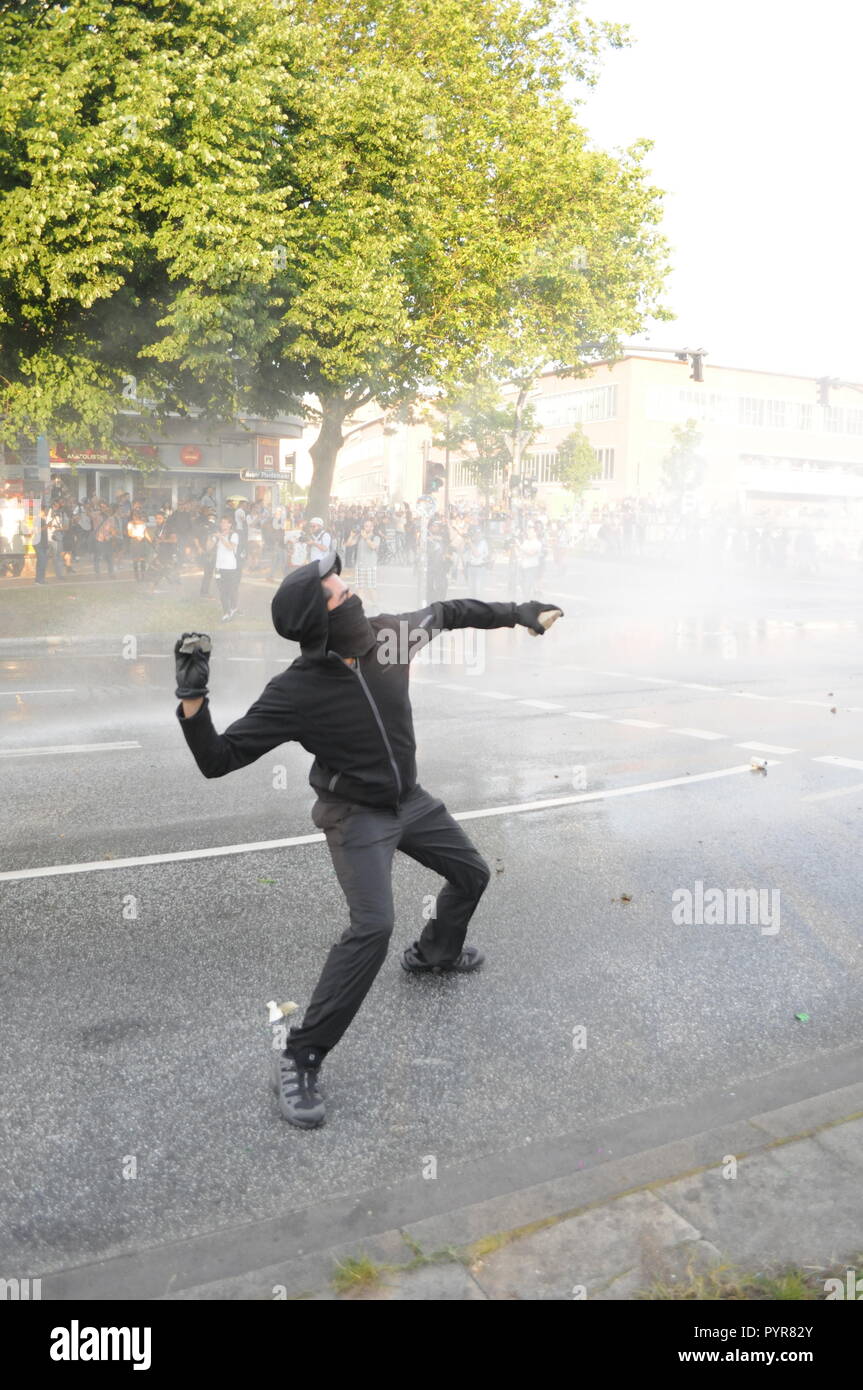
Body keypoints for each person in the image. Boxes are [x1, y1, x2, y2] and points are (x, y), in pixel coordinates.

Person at [174, 551, 564, 1128]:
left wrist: (520, 612)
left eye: (342, 581)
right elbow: (218, 759)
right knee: (372, 926)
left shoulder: (387, 636)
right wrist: (193, 703)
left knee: (472, 874)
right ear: (319, 619)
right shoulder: (295, 691)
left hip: (410, 799)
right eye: (336, 590)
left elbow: (449, 610)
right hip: (356, 814)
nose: (349, 590)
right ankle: (301, 1056)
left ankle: (434, 953)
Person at [213, 514, 240, 619]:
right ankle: (226, 612)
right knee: (222, 591)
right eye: (221, 522)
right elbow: (209, 547)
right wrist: (212, 537)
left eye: (225, 522)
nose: (222, 524)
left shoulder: (234, 535)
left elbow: (230, 547)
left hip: (230, 567)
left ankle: (233, 607)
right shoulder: (218, 535)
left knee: (231, 590)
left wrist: (221, 537)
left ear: (230, 524)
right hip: (219, 567)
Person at [464, 526, 490, 598]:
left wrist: (470, 543)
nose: (477, 535)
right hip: (470, 567)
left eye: (478, 533)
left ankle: (478, 606)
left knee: (478, 591)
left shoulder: (483, 542)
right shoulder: (470, 542)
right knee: (471, 591)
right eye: (475, 534)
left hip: (480, 568)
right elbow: (463, 553)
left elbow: (477, 554)